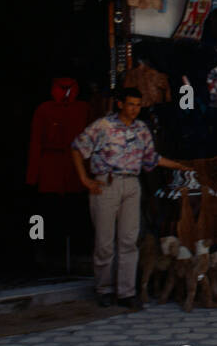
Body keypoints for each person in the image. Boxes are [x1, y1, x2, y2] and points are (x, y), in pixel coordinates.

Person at [71, 87, 191, 309]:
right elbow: (78, 148)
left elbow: (150, 158)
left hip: (132, 184)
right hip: (106, 183)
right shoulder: (103, 126)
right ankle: (104, 289)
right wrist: (85, 179)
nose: (134, 109)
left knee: (128, 240)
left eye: (138, 105)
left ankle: (126, 291)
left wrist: (175, 164)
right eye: (131, 104)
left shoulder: (142, 129)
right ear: (120, 104)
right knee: (105, 241)